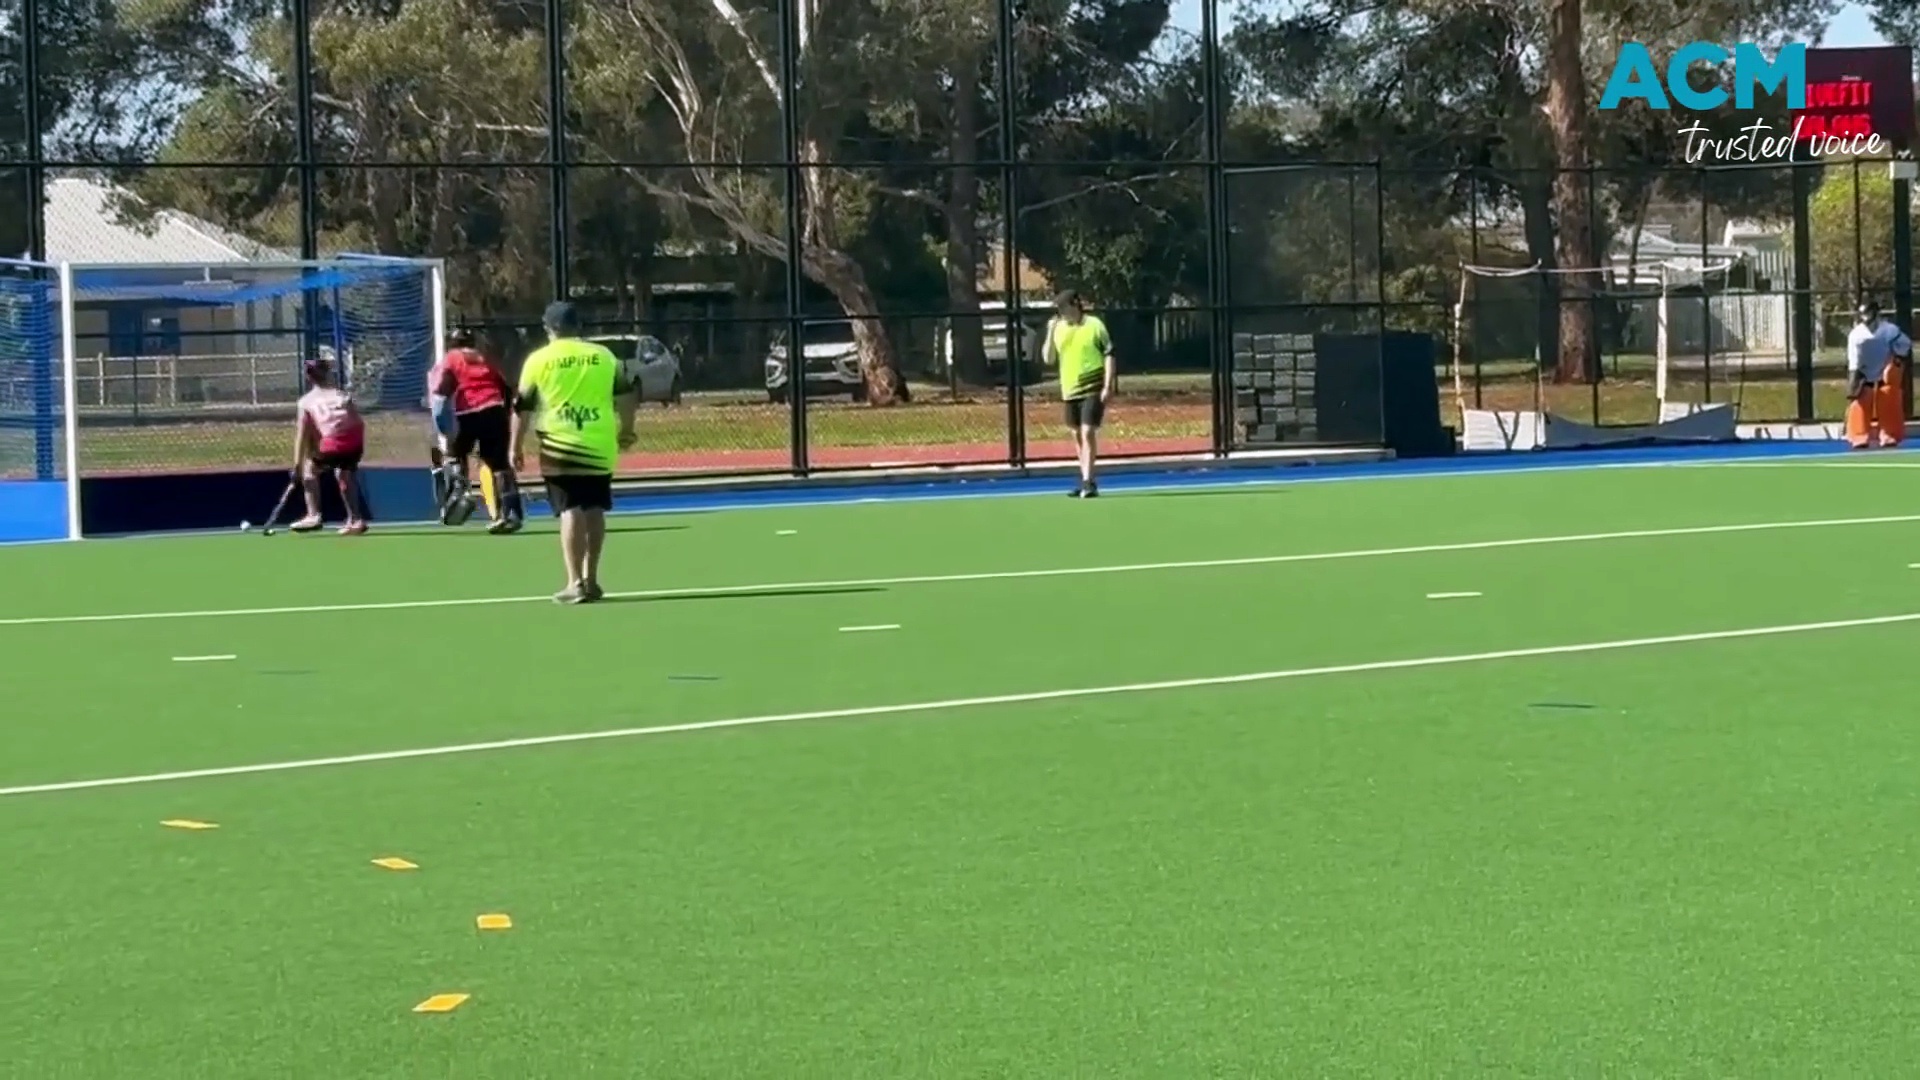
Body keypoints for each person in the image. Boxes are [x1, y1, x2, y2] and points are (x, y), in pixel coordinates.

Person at [511, 301, 637, 603]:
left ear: (548, 328)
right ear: (579, 327)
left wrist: (514, 446)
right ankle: (592, 579)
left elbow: (523, 408)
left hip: (559, 443)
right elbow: (626, 395)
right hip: (599, 441)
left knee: (570, 508)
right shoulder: (603, 356)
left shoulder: (539, 360)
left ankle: (574, 581)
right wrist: (627, 429)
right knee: (594, 507)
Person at [429, 328, 523, 532]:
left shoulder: (452, 358)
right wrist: (504, 415)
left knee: (455, 453)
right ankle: (510, 513)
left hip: (469, 413)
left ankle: (459, 494)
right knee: (500, 466)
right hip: (495, 411)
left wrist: (442, 424)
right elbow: (506, 388)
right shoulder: (486, 359)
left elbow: (441, 391)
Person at [1042, 289, 1116, 497]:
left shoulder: (1095, 325)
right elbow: (1048, 359)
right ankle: (1086, 477)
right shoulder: (1059, 329)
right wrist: (1050, 331)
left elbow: (1109, 354)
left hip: (1092, 386)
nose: (1060, 312)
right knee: (1076, 434)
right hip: (1069, 390)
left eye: (1063, 307)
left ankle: (1088, 481)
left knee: (1087, 431)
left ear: (1075, 305)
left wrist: (1107, 385)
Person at [291, 357, 369, 535]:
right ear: (327, 374)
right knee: (344, 474)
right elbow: (357, 421)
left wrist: (297, 465)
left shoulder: (306, 402)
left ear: (308, 377)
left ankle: (313, 515)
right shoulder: (342, 395)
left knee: (310, 471)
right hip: (355, 440)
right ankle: (356, 519)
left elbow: (302, 435)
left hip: (334, 442)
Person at [1846, 300, 1914, 450]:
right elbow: (1854, 359)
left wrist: (1896, 361)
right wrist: (1854, 378)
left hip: (1886, 371)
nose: (1866, 318)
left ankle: (1889, 434)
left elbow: (1905, 345)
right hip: (1864, 372)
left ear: (1876, 314)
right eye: (1863, 314)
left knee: (1888, 396)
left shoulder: (1890, 330)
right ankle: (1859, 435)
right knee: (1862, 399)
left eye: (1868, 314)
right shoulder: (1856, 335)